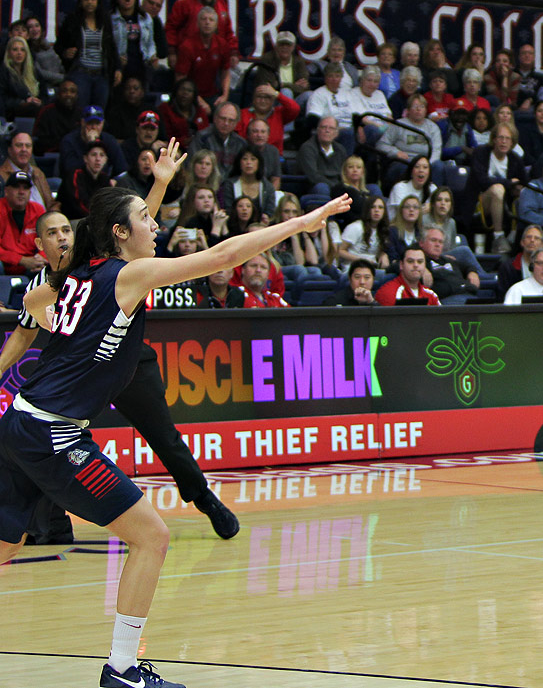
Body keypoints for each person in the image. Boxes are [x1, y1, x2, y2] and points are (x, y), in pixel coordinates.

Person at [1, 153, 348, 688]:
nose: (156, 225)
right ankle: (122, 669)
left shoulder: (76, 274)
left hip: (19, 420)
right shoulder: (126, 275)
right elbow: (221, 254)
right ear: (120, 232)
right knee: (152, 538)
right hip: (53, 433)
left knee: (6, 543)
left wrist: (157, 186)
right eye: (147, 217)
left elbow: (49, 287)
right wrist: (299, 224)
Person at [1, 195, 239, 547]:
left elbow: (136, 234)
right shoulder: (54, 279)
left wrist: (158, 185)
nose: (63, 237)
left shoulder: (113, 265)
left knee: (163, 435)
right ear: (39, 244)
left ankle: (203, 496)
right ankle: (49, 525)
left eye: (68, 229)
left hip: (125, 363)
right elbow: (27, 319)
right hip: (78, 379)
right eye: (54, 233)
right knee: (53, 446)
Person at [54, 0, 119, 111]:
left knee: (99, 112)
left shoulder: (105, 20)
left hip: (101, 74)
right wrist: (65, 52)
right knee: (80, 111)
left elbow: (111, 46)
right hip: (80, 73)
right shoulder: (73, 20)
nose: (89, 2)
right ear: (80, 2)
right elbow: (59, 45)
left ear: (98, 1)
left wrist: (118, 68)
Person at [466, 123, 526, 253]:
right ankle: (498, 237)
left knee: (522, 194)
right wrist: (509, 183)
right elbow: (482, 181)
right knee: (497, 189)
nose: (504, 142)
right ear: (493, 139)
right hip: (479, 203)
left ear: (512, 142)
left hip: (506, 205)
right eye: (500, 137)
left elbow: (523, 183)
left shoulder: (515, 159)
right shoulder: (481, 153)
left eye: (507, 138)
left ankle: (515, 235)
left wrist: (516, 188)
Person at [165, 0, 238, 70]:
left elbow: (228, 32)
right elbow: (171, 28)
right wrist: (172, 51)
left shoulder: (222, 6)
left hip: (215, 58)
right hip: (188, 56)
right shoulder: (184, 4)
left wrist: (233, 52)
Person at [59, 104, 129, 180]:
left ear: (103, 123)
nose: (94, 127)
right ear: (82, 122)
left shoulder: (109, 140)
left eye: (97, 123)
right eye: (90, 123)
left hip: (103, 184)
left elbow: (122, 169)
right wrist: (91, 144)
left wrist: (114, 180)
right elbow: (70, 170)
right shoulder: (69, 141)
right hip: (76, 183)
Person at [0, 171, 46, 275]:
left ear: (30, 192)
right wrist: (21, 260)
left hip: (34, 265)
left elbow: (47, 239)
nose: (21, 192)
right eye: (16, 187)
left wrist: (41, 257)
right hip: (5, 265)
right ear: (6, 191)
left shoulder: (38, 210)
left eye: (25, 188)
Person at [419, 227, 479, 304]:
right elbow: (401, 261)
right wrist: (422, 268)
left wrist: (472, 272)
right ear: (421, 243)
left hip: (469, 295)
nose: (437, 244)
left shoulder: (449, 260)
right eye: (433, 240)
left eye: (440, 242)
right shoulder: (420, 262)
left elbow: (468, 266)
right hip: (448, 300)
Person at [57, 141, 114, 220]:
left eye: (102, 155)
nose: (98, 159)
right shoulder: (75, 175)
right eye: (94, 155)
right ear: (85, 158)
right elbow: (79, 204)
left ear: (106, 160)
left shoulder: (105, 178)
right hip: (73, 220)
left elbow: (110, 202)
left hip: (96, 220)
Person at [190, 101, 246, 178]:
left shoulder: (241, 143)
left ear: (236, 123)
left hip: (230, 187)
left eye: (231, 120)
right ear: (215, 118)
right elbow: (191, 164)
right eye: (223, 118)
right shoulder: (202, 138)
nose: (226, 123)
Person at [0, 133, 55, 209]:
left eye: (28, 146)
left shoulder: (37, 172)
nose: (24, 149)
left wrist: (55, 217)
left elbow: (51, 204)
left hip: (45, 219)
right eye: (19, 145)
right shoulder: (1, 175)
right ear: (10, 150)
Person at [374, 245, 440, 305]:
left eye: (420, 262)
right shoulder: (388, 293)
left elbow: (443, 317)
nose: (416, 265)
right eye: (410, 261)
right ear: (401, 265)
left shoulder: (431, 294)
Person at [299, 116, 344, 196]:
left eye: (331, 128)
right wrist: (336, 187)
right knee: (322, 188)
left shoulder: (340, 149)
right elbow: (313, 176)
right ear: (317, 130)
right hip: (314, 187)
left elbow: (344, 173)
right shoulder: (307, 148)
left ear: (336, 133)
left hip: (338, 187)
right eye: (323, 127)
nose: (327, 130)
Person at [2, 37, 43, 118]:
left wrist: (41, 101)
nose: (19, 53)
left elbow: (44, 92)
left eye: (22, 50)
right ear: (9, 53)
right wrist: (22, 102)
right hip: (13, 112)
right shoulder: (3, 72)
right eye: (15, 50)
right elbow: (3, 98)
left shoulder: (33, 71)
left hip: (35, 107)